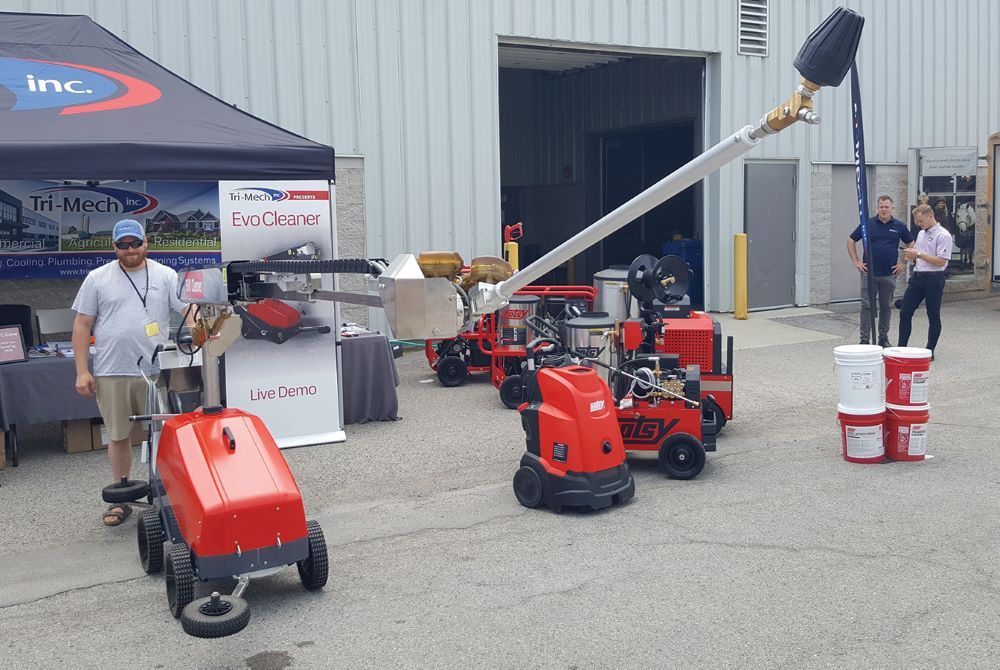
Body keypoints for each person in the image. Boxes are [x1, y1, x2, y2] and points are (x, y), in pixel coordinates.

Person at [71, 219, 189, 527]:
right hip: (111, 370)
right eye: (123, 245)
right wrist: (82, 371)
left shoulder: (166, 275)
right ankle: (121, 499)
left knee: (164, 435)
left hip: (155, 370)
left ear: (145, 242)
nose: (130, 249)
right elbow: (82, 325)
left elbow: (188, 309)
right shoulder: (97, 278)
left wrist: (203, 330)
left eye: (135, 243)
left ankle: (171, 497)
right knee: (119, 435)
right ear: (114, 247)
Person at [846, 195, 914, 347]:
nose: (884, 209)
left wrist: (903, 262)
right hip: (868, 273)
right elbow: (851, 240)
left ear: (891, 208)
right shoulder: (868, 224)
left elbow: (911, 243)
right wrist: (856, 261)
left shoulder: (899, 226)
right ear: (877, 208)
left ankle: (883, 338)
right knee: (867, 306)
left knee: (886, 307)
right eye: (881, 207)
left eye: (887, 207)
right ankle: (864, 339)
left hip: (889, 274)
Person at [898, 204, 953, 359]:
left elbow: (941, 261)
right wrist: (911, 256)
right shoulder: (921, 233)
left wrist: (919, 254)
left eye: (921, 221)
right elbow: (918, 253)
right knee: (905, 312)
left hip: (934, 278)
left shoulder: (944, 235)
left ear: (930, 216)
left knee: (933, 314)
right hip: (918, 276)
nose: (918, 224)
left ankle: (930, 350)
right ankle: (901, 348)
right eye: (917, 221)